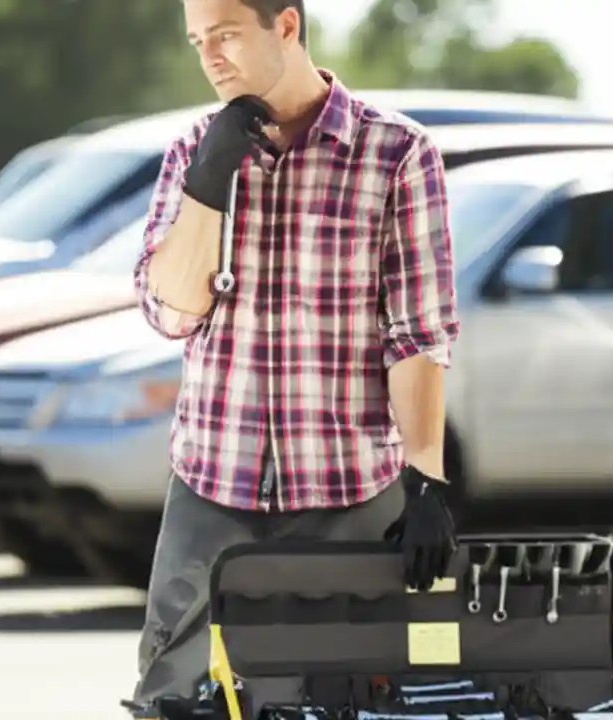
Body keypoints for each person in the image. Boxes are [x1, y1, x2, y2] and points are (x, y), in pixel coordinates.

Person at [127, 0, 461, 713]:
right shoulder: (193, 152)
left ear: (285, 25)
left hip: (347, 491)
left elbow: (417, 332)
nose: (210, 57)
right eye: (197, 42)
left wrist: (426, 477)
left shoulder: (396, 153)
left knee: (348, 699)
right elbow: (172, 310)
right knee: (175, 701)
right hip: (212, 486)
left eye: (225, 35)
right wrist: (208, 183)